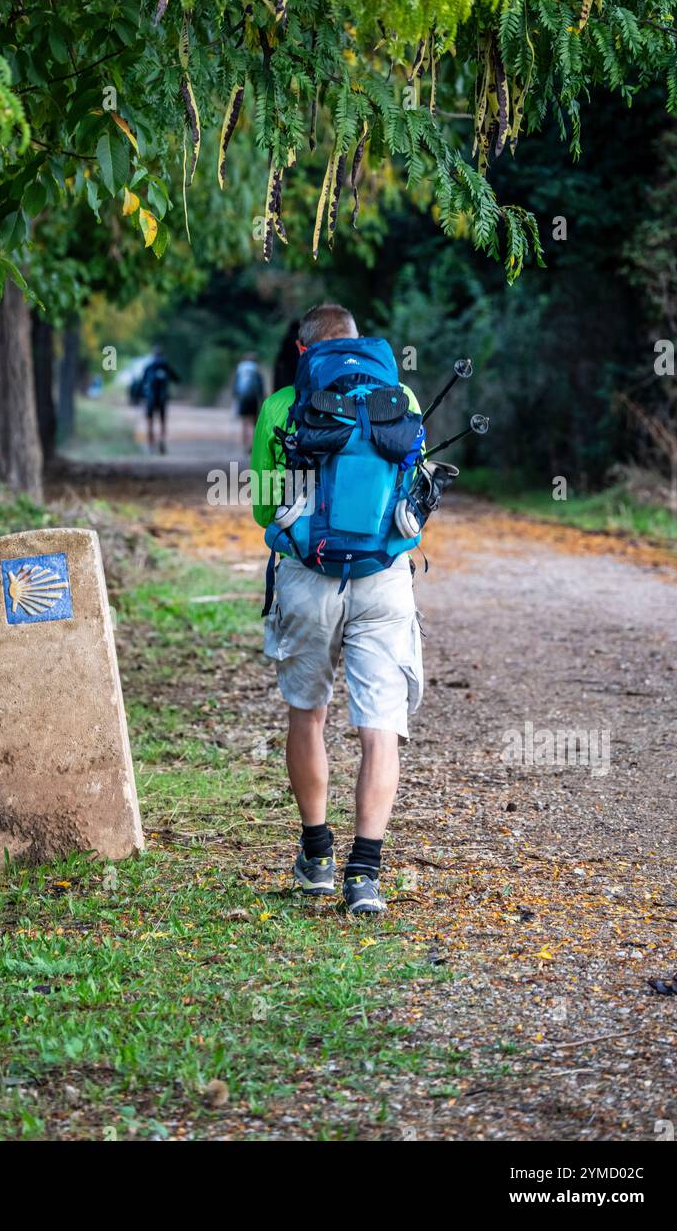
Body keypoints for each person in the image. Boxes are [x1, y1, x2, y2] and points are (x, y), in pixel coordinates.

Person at [250, 302, 424, 915]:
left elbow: (264, 511)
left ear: (304, 353)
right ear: (361, 343)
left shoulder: (280, 406)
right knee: (380, 728)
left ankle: (317, 857)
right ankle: (366, 874)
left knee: (309, 713)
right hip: (383, 577)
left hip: (308, 575)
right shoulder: (399, 394)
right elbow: (417, 489)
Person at [140, 347, 179, 453]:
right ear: (161, 355)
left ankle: (150, 444)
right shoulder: (166, 366)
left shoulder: (149, 366)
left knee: (150, 421)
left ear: (153, 355)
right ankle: (162, 440)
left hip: (151, 398)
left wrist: (140, 397)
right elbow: (177, 379)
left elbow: (142, 383)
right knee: (162, 421)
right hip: (162, 398)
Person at [233, 352, 266, 450]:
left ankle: (244, 445)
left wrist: (235, 397)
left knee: (244, 422)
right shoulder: (256, 369)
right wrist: (262, 399)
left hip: (242, 398)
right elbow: (260, 387)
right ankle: (251, 445)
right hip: (252, 398)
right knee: (252, 422)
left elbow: (235, 386)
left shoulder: (240, 369)